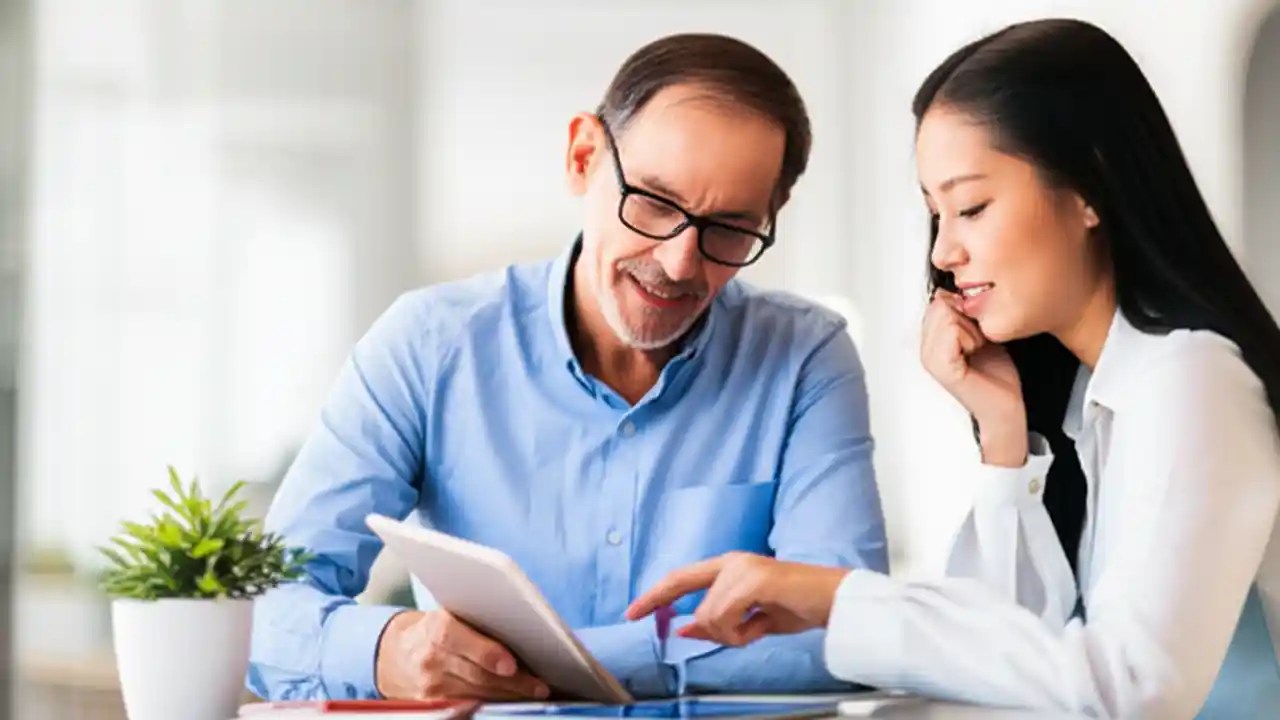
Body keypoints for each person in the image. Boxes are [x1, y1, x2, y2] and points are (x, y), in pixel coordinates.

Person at [626, 18, 1280, 720]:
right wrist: (1005, 440)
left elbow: (1127, 689)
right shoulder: (1098, 402)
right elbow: (1012, 662)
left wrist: (833, 596)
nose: (943, 252)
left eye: (970, 206)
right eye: (935, 213)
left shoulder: (1191, 379)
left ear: (1092, 186)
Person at [247, 33, 888, 702]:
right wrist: (391, 650)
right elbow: (268, 610)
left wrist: (560, 661)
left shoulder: (806, 357)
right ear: (583, 157)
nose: (678, 265)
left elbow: (842, 629)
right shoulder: (428, 345)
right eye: (654, 202)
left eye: (730, 227)